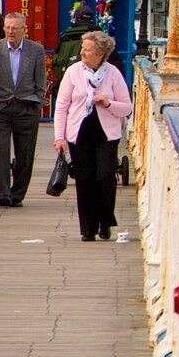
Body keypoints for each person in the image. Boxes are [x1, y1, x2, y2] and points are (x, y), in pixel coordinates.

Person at [53, 31, 132, 242]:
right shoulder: (73, 72)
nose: (82, 53)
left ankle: (105, 223)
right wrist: (59, 137)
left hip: (106, 134)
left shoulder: (113, 74)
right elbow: (61, 106)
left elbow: (126, 107)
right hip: (79, 133)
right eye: (82, 49)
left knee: (105, 177)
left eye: (87, 50)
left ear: (100, 53)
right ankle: (88, 228)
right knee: (84, 180)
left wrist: (108, 102)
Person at [0, 11, 50, 208]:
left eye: (15, 28)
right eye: (8, 27)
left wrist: (37, 100)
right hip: (1, 107)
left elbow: (41, 79)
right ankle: (3, 193)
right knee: (1, 151)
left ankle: (18, 193)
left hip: (26, 107)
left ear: (24, 29)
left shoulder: (36, 50)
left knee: (25, 154)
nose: (11, 31)